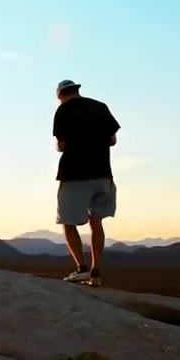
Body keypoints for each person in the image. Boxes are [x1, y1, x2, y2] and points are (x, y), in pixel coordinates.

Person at [52, 78, 119, 287]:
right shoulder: (100, 107)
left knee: (68, 222)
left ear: (60, 95)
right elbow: (112, 140)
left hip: (75, 175)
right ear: (76, 90)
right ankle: (95, 272)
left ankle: (81, 268)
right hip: (103, 174)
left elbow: (62, 145)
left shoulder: (63, 111)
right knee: (96, 222)